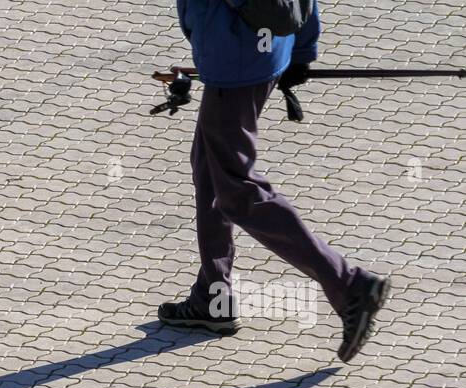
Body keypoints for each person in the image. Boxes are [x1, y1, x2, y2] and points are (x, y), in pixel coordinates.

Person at [160, 0, 389, 362]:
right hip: (265, 54)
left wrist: (212, 53)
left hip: (233, 67)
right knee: (210, 166)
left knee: (237, 191)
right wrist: (301, 50)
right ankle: (213, 296)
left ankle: (349, 284)